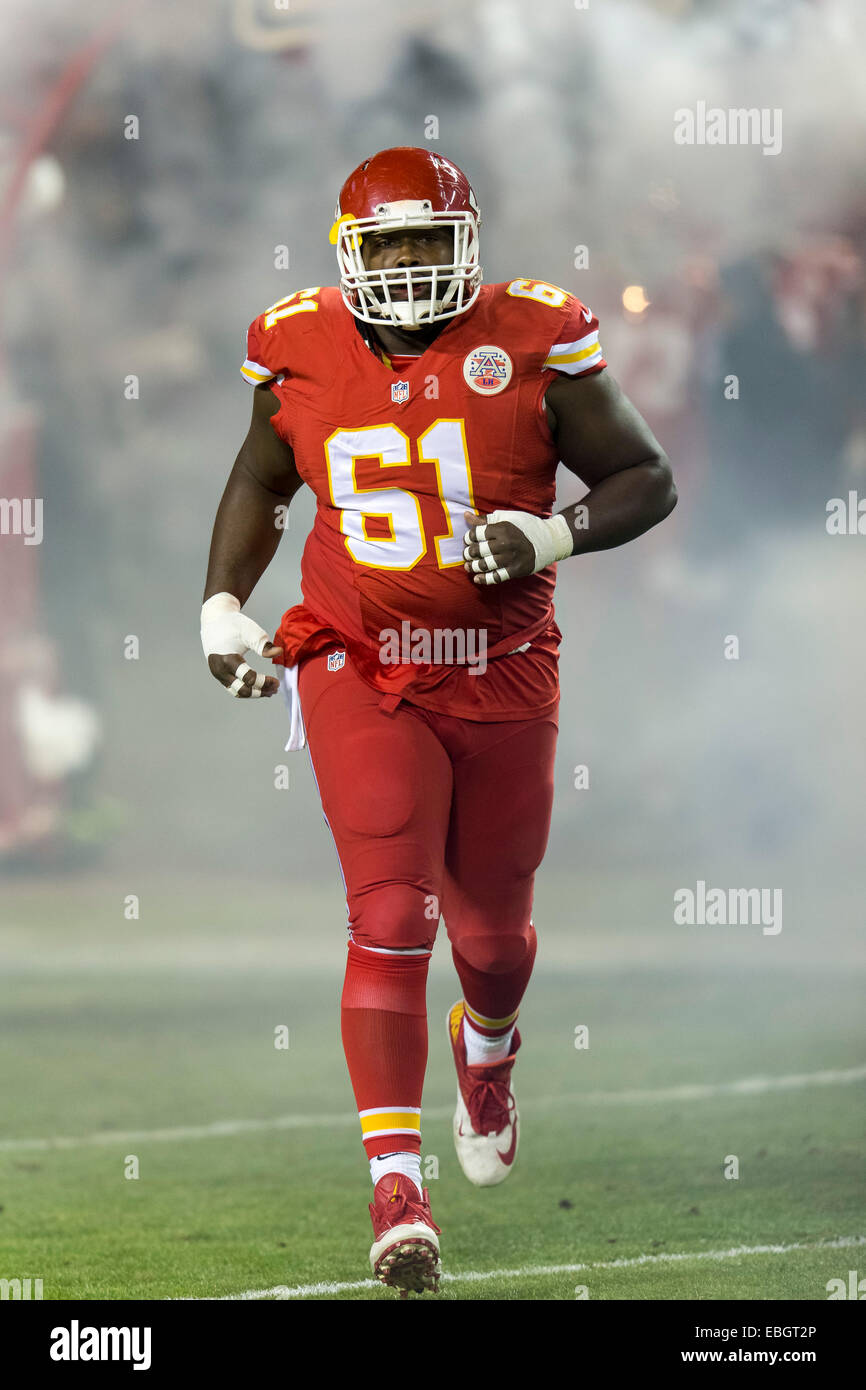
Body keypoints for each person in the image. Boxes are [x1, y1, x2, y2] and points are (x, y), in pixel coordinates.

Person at [201, 147, 676, 1298]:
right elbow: (266, 480)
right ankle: (395, 1184)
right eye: (389, 246)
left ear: (465, 244)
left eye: (430, 243)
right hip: (361, 665)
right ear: (347, 253)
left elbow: (645, 478)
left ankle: (489, 1048)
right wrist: (223, 605)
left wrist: (549, 534)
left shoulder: (532, 339)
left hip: (503, 667)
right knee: (389, 910)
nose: (411, 269)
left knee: (492, 937)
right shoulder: (298, 344)